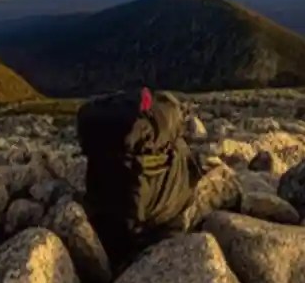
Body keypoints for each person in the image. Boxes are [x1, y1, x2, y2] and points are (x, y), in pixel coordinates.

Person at [77, 87, 235, 272]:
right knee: (223, 186)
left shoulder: (107, 143)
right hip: (156, 221)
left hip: (109, 216)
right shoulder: (163, 136)